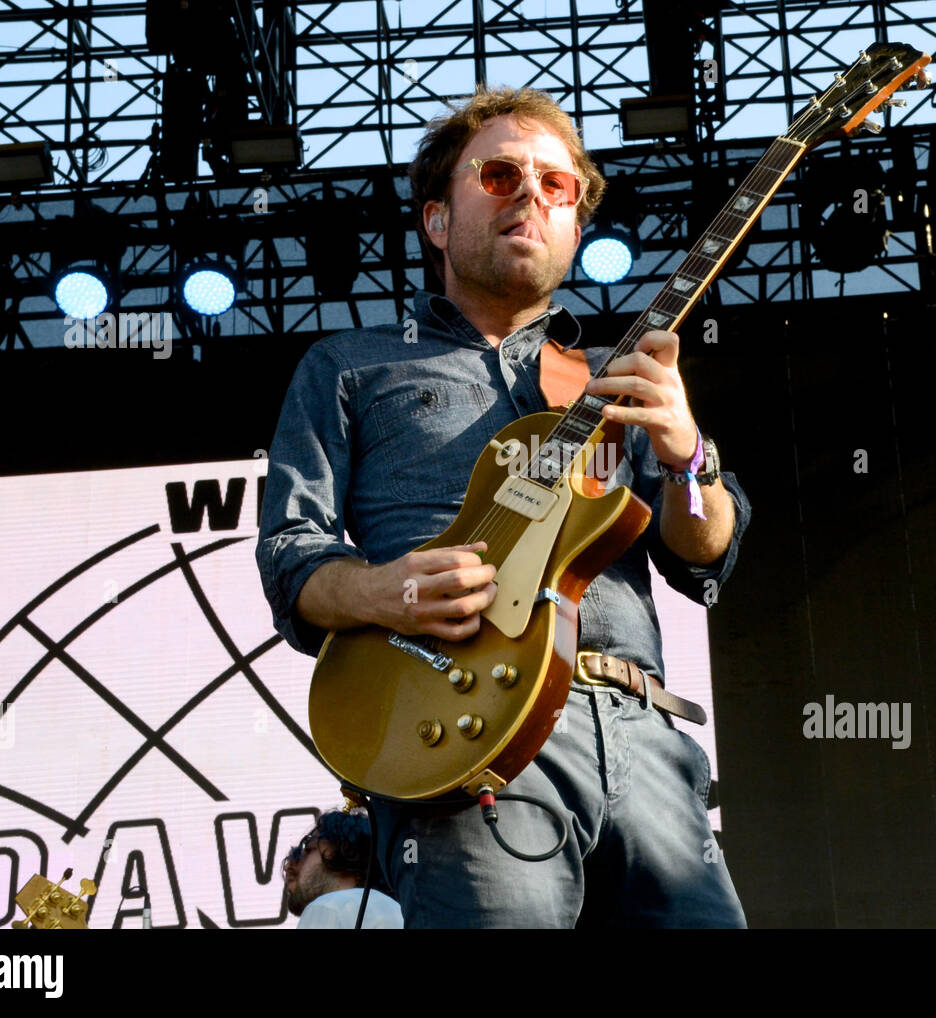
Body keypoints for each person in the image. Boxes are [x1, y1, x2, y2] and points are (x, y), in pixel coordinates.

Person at [257, 84, 751, 928]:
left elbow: (702, 554)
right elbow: (289, 553)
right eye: (500, 176)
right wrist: (386, 591)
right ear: (437, 221)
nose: (532, 194)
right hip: (466, 733)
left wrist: (684, 450)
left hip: (643, 731)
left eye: (557, 186)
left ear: (576, 227)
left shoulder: (614, 380)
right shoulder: (349, 365)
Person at [281, 809, 403, 929]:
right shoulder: (399, 912)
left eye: (308, 850)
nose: (287, 867)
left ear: (332, 852)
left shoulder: (327, 907)